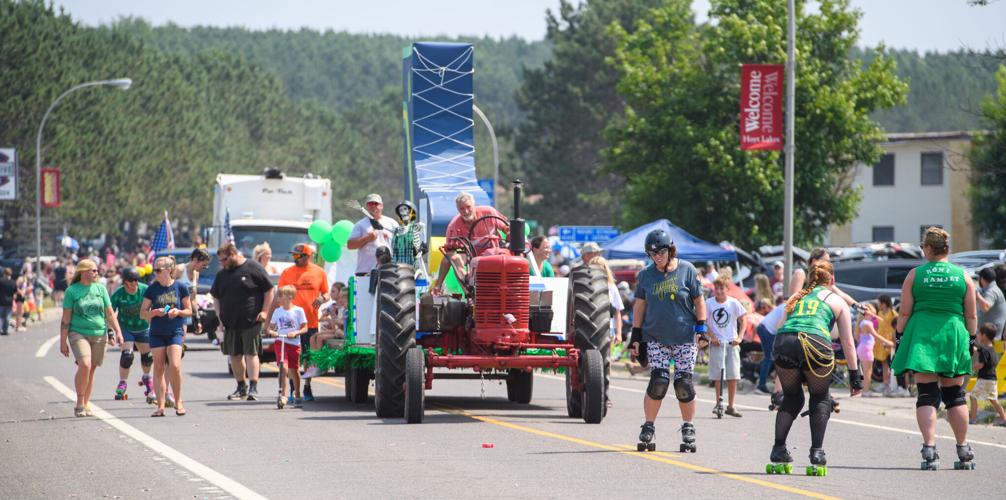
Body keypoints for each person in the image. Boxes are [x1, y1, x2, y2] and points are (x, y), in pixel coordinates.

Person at [891, 227, 977, 470]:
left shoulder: (915, 275)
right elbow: (971, 314)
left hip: (923, 336)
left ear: (928, 248)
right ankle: (963, 449)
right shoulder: (963, 276)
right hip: (953, 335)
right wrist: (970, 341)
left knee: (927, 394)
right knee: (955, 396)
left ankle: (929, 449)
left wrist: (899, 336)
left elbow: (905, 311)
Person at [767, 261, 862, 473]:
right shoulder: (835, 299)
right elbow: (847, 342)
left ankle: (778, 448)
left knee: (792, 398)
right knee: (820, 397)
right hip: (815, 343)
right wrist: (856, 376)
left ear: (811, 279)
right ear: (832, 281)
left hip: (784, 342)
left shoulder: (796, 296)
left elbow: (780, 326)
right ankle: (817, 452)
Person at [628, 229, 707, 452]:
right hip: (655, 336)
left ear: (670, 250)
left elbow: (699, 301)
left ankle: (688, 427)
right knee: (659, 381)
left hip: (684, 337)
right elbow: (640, 306)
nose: (657, 256)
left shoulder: (687, 270)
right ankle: (649, 426)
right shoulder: (646, 275)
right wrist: (636, 335)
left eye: (661, 252)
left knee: (683, 383)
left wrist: (701, 329)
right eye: (652, 253)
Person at [59, 259, 124, 417]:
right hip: (78, 332)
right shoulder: (72, 291)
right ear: (83, 272)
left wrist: (118, 332)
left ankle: (86, 403)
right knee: (85, 365)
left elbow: (109, 313)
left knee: (91, 369)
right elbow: (66, 319)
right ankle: (79, 403)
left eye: (97, 270)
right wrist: (63, 341)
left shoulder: (100, 289)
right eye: (93, 270)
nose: (96, 273)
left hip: (99, 334)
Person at [211, 243, 274, 401]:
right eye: (220, 261)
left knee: (250, 353)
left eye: (225, 259)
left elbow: (269, 289)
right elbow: (215, 296)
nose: (223, 263)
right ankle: (241, 387)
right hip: (230, 321)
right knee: (234, 355)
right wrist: (219, 317)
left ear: (233, 254)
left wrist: (265, 311)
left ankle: (253, 387)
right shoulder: (222, 274)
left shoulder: (253, 267)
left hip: (251, 319)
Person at [141, 256, 192, 417]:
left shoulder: (180, 287)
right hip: (156, 333)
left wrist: (178, 312)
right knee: (159, 367)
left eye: (158, 270)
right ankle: (161, 406)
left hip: (175, 331)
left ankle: (178, 402)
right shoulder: (152, 289)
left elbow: (189, 310)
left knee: (175, 365)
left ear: (169, 270)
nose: (155, 273)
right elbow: (142, 313)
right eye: (154, 269)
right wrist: (154, 312)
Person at [277, 243, 329, 401]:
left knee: (308, 357)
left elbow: (326, 293)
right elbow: (279, 294)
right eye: (294, 255)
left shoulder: (319, 272)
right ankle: (293, 389)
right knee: (292, 360)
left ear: (308, 256)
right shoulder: (287, 272)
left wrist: (322, 298)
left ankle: (307, 386)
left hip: (310, 323)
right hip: (290, 325)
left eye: (298, 256)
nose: (295, 258)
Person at [431, 192, 509, 292]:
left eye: (468, 207)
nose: (466, 211)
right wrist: (456, 247)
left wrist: (509, 233)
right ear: (458, 210)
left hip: (495, 254)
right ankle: (466, 289)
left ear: (474, 205)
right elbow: (449, 252)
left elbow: (506, 228)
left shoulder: (489, 213)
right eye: (462, 209)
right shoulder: (454, 226)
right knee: (451, 257)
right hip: (471, 259)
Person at [705, 275, 747, 417]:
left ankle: (731, 405)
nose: (719, 291)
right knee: (718, 375)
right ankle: (718, 403)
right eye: (716, 289)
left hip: (731, 342)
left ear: (727, 289)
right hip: (718, 343)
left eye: (721, 289)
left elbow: (743, 318)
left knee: (733, 375)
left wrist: (740, 337)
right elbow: (704, 322)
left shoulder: (733, 303)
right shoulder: (709, 303)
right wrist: (712, 336)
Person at [110, 267, 153, 402]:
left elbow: (160, 303)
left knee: (148, 357)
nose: (135, 283)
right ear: (125, 282)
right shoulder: (119, 294)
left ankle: (146, 378)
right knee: (127, 356)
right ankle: (123, 382)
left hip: (143, 328)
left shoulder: (145, 289)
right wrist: (111, 331)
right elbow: (110, 313)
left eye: (137, 280)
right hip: (125, 329)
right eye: (132, 280)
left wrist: (167, 312)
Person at [267, 285, 308, 408]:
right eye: (278, 295)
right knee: (283, 367)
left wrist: (296, 332)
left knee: (294, 370)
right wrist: (272, 331)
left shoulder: (298, 311)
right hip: (281, 341)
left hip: (294, 343)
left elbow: (305, 327)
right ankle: (283, 395)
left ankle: (297, 393)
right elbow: (271, 327)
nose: (278, 298)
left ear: (290, 296)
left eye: (281, 295)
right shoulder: (277, 311)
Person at [592, 256, 624, 407]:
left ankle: (605, 394)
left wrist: (618, 333)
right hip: (590, 328)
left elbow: (617, 312)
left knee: (606, 362)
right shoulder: (588, 284)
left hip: (607, 329)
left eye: (601, 267)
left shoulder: (611, 287)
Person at [346, 193, 399, 275]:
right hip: (365, 271)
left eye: (376, 204)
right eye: (370, 204)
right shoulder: (360, 224)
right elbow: (350, 245)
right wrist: (367, 238)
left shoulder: (392, 223)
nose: (373, 206)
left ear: (382, 206)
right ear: (367, 206)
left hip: (388, 269)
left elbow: (399, 244)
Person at [969, 323, 1006, 425]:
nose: (977, 336)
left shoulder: (985, 351)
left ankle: (973, 419)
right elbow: (978, 350)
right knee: (993, 399)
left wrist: (970, 368)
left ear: (984, 335)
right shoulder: (991, 349)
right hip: (992, 379)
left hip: (984, 379)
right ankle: (1004, 418)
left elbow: (980, 365)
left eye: (979, 334)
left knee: (973, 396)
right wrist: (971, 347)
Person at [873, 295, 901, 396]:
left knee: (891, 363)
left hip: (890, 340)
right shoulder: (879, 313)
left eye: (879, 302)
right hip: (881, 341)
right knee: (884, 363)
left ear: (884, 303)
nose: (878, 304)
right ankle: (885, 383)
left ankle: (892, 384)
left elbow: (896, 326)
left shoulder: (893, 313)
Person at [855, 303, 880, 396]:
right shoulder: (868, 323)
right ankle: (866, 391)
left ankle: (865, 390)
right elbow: (876, 335)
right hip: (867, 348)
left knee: (866, 371)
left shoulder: (860, 323)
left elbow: (857, 337)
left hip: (862, 348)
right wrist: (887, 342)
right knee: (868, 371)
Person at [976, 267, 1006, 339]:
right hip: (992, 333)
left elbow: (985, 307)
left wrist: (977, 296)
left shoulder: (992, 291)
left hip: (991, 335)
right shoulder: (990, 289)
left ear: (982, 278)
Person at [0, 268, 15, 335]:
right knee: (7, 317)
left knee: (1, 316)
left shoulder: (1, 281)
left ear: (4, 273)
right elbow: (14, 292)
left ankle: (1, 329)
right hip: (9, 301)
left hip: (1, 301)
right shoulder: (13, 282)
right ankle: (5, 330)